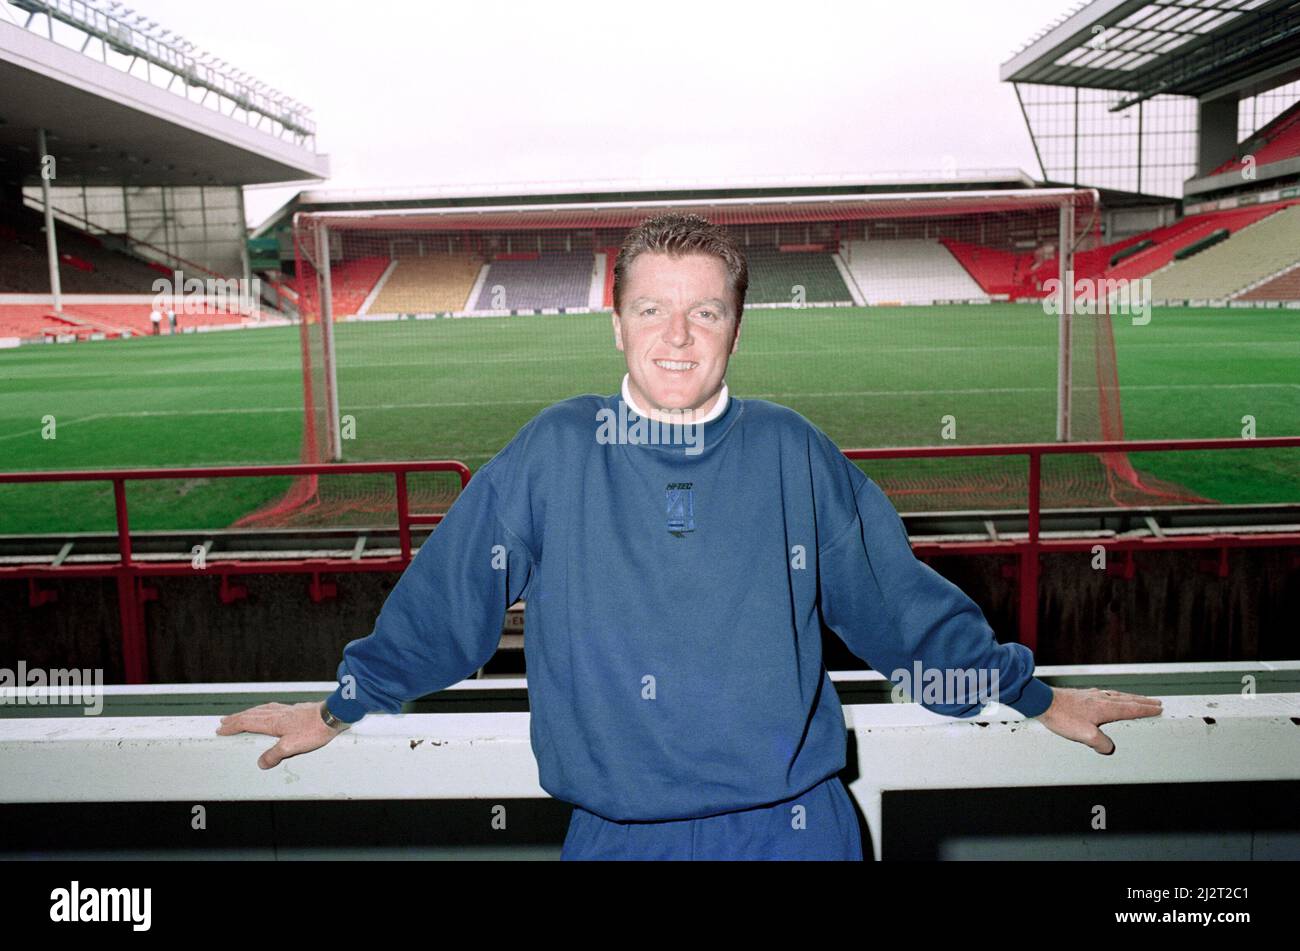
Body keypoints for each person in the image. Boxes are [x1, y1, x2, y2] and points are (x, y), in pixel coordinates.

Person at [217, 212, 1163, 860]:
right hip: (619, 833)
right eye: (652, 309)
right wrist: (340, 704)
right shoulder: (556, 449)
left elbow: (898, 610)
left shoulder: (794, 452)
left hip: (795, 831)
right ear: (617, 325)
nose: (678, 335)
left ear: (737, 327)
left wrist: (1027, 690)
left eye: (704, 310)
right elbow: (447, 601)